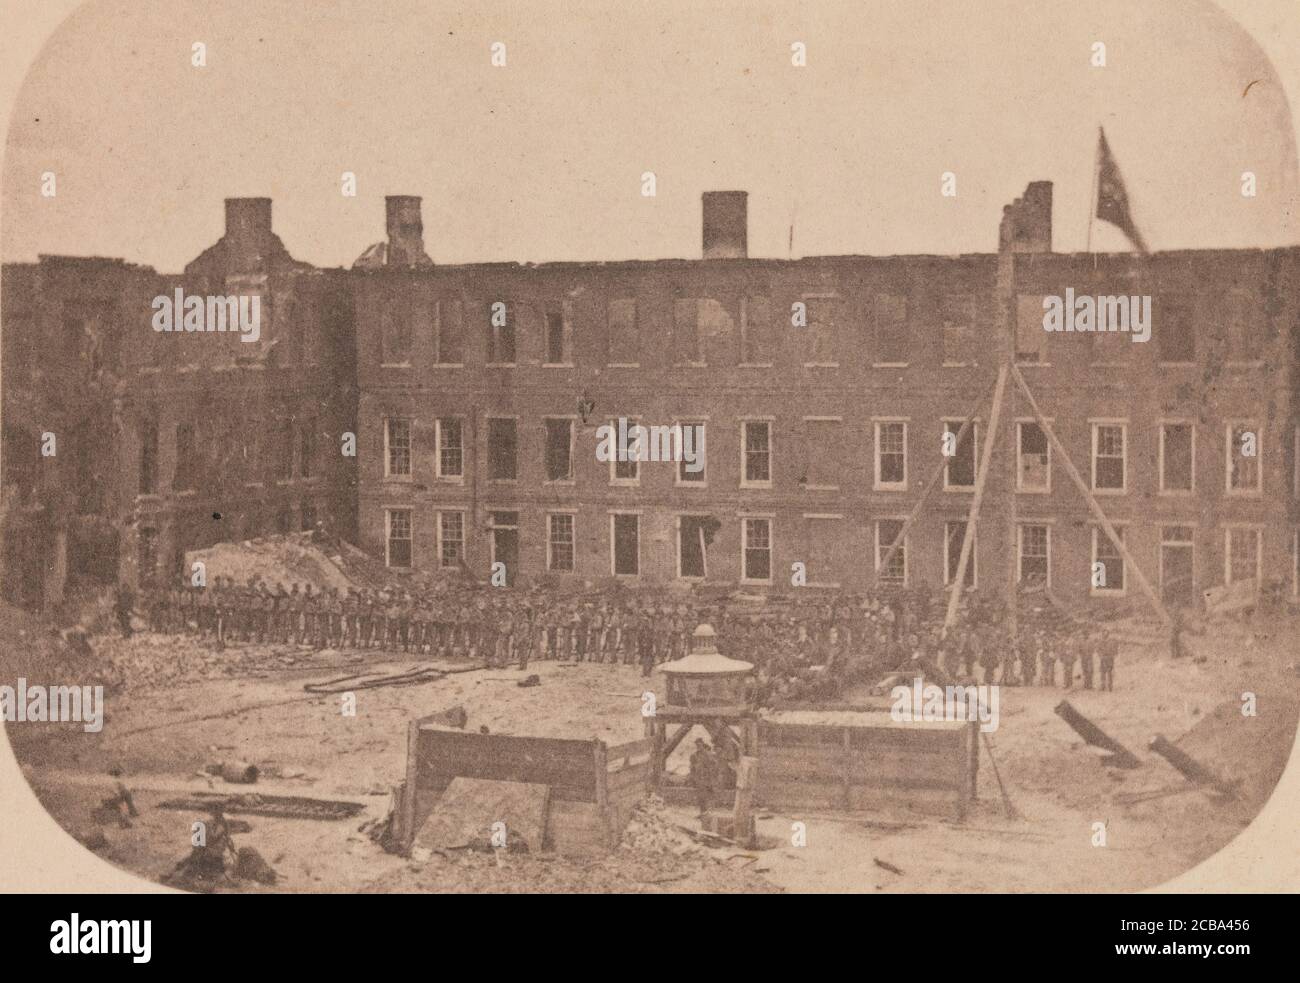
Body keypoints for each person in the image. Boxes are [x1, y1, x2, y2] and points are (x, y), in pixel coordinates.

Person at [689, 739, 717, 817]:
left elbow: (713, 766)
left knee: (708, 796)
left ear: (702, 745)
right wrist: (693, 777)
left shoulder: (708, 755)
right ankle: (702, 813)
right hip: (699, 779)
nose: (698, 747)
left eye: (700, 745)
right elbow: (692, 767)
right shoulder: (694, 755)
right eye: (697, 745)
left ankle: (708, 813)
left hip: (707, 779)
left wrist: (711, 778)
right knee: (700, 797)